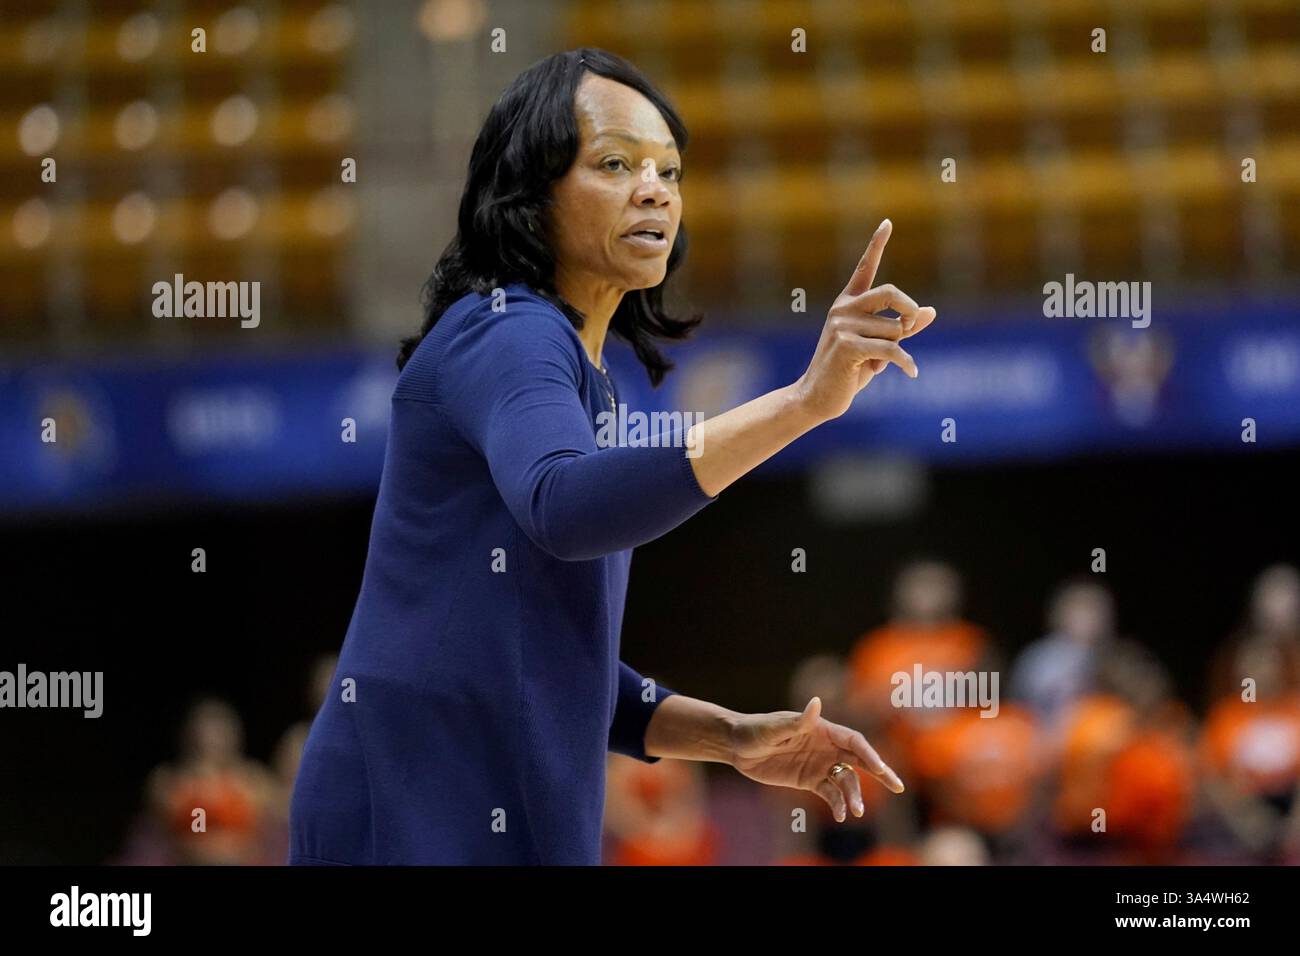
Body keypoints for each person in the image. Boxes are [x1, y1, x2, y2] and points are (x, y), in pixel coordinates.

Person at [289, 48, 936, 865]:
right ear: (530, 195)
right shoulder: (507, 330)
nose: (656, 187)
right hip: (415, 800)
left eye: (669, 169)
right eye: (615, 163)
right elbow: (566, 506)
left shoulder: (590, 383)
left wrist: (733, 737)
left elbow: (553, 662)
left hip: (500, 804)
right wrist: (804, 402)